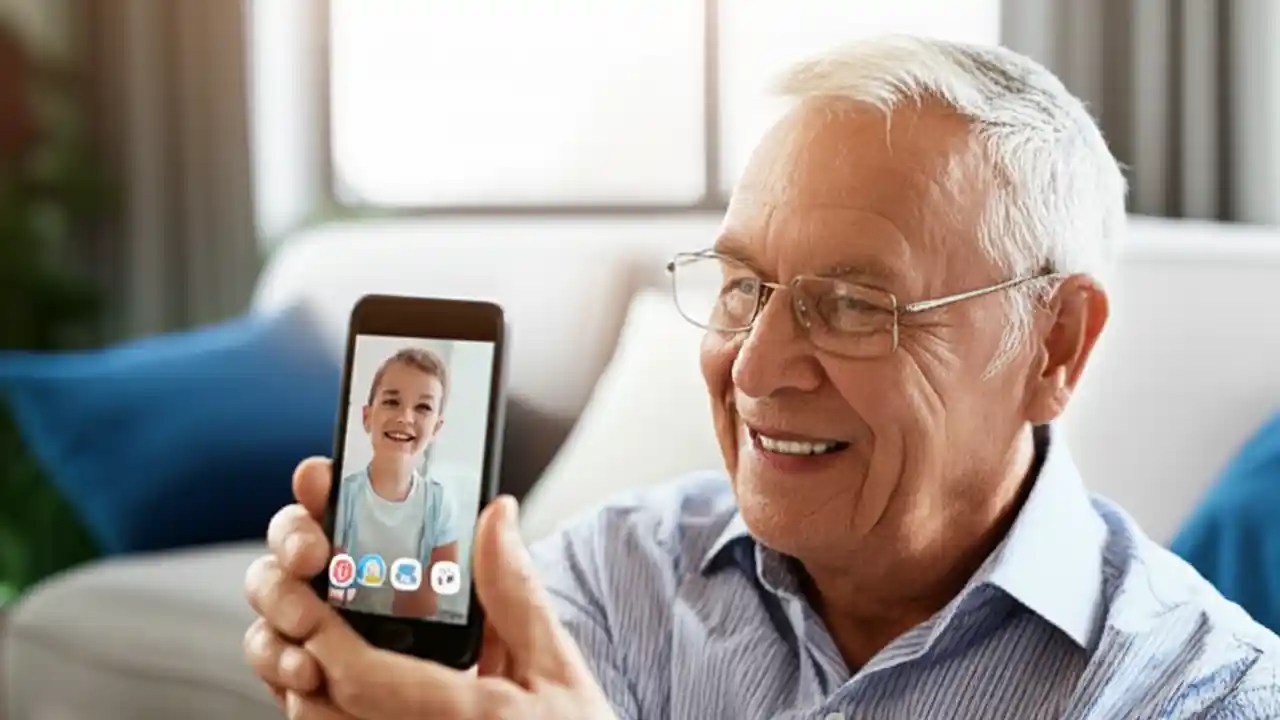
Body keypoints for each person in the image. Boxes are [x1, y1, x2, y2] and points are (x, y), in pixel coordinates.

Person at [243, 36, 1280, 718]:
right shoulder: (612, 580)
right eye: (741, 287)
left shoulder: (1199, 693)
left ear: (1053, 346)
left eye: (854, 305)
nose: (756, 365)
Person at [331, 347, 459, 619]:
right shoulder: (345, 496)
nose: (405, 418)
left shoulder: (441, 505)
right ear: (367, 417)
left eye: (423, 407)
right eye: (392, 402)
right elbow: (334, 586)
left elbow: (437, 594)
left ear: (436, 428)